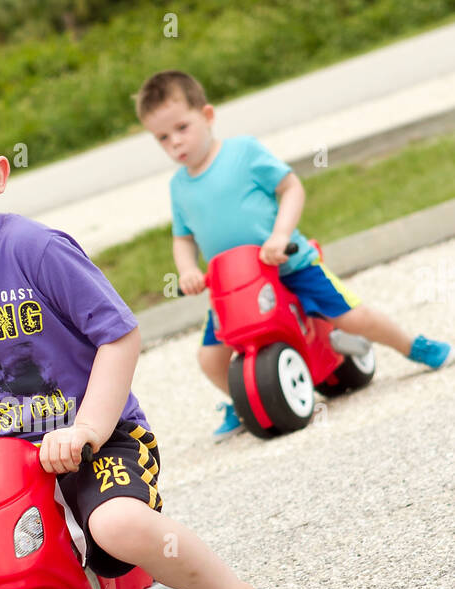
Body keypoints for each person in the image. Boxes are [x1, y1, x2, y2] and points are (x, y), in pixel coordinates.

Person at [0, 73, 328, 589]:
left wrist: (87, 427)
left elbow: (118, 335)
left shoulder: (35, 249)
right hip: (1, 468)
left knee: (117, 523)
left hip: (98, 439)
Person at [135, 70, 454, 441]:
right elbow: (182, 238)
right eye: (163, 138)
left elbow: (291, 188)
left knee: (353, 316)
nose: (175, 143)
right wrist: (187, 269)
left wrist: (280, 235)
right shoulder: (179, 187)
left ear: (207, 116)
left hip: (289, 265)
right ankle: (243, 403)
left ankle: (413, 345)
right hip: (234, 284)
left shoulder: (244, 152)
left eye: (182, 128)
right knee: (210, 358)